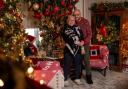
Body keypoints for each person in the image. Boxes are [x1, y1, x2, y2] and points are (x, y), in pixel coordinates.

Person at [61, 15, 85, 86]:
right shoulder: (64, 29)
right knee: (67, 65)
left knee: (78, 64)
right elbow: (67, 39)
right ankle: (65, 79)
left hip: (78, 49)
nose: (72, 21)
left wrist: (82, 44)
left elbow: (82, 37)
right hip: (68, 49)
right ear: (67, 20)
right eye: (70, 20)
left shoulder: (78, 28)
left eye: (73, 20)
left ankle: (77, 79)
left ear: (75, 21)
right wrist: (78, 42)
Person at [73, 9, 93, 84]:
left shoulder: (85, 21)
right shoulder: (73, 22)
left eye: (77, 14)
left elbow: (90, 34)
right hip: (76, 43)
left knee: (86, 60)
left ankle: (88, 77)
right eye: (75, 15)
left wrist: (83, 42)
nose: (76, 16)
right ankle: (78, 75)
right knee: (78, 60)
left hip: (85, 44)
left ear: (80, 14)